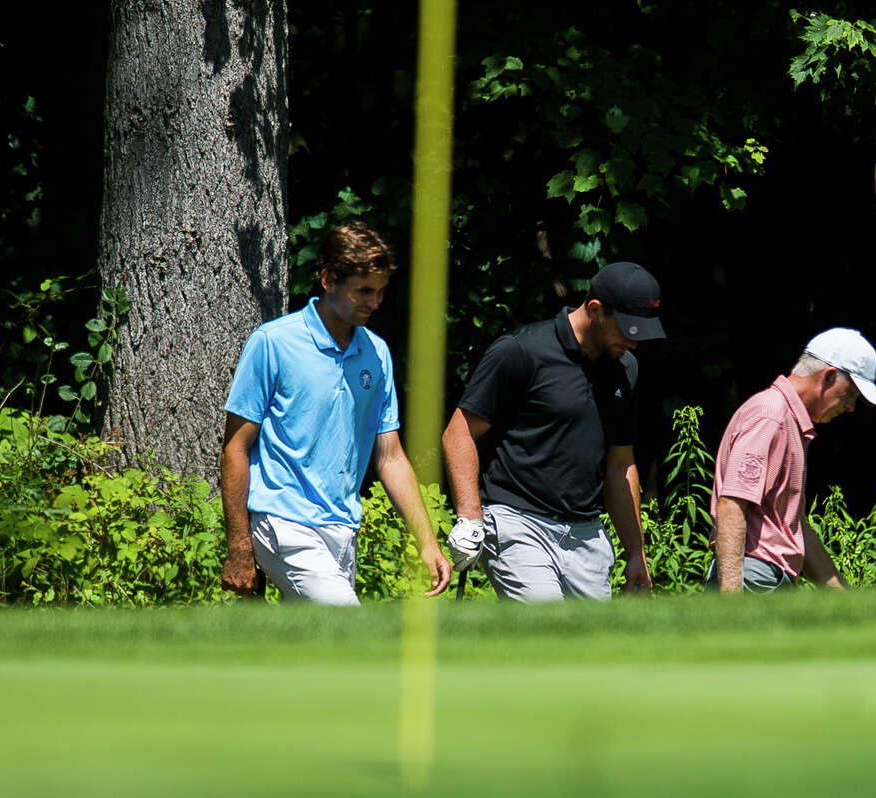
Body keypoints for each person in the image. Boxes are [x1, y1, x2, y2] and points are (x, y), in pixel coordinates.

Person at [219, 222, 451, 605]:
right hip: (283, 521)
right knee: (352, 633)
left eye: (380, 291)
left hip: (343, 528)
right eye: (363, 290)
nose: (375, 303)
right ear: (328, 279)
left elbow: (390, 455)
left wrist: (427, 542)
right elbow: (235, 449)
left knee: (320, 655)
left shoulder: (376, 353)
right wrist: (240, 549)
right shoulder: (273, 343)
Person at [441, 261, 665, 602]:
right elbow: (459, 433)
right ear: (595, 309)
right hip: (518, 522)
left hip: (587, 536)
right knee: (544, 632)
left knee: (589, 652)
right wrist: (470, 517)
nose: (633, 344)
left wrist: (636, 552)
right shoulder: (521, 350)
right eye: (627, 331)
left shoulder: (625, 369)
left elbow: (620, 464)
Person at [708, 327, 876, 594]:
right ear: (828, 377)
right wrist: (732, 605)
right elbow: (732, 506)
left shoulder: (790, 421)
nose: (851, 407)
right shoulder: (771, 416)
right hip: (753, 580)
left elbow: (793, 526)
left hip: (764, 578)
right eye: (850, 394)